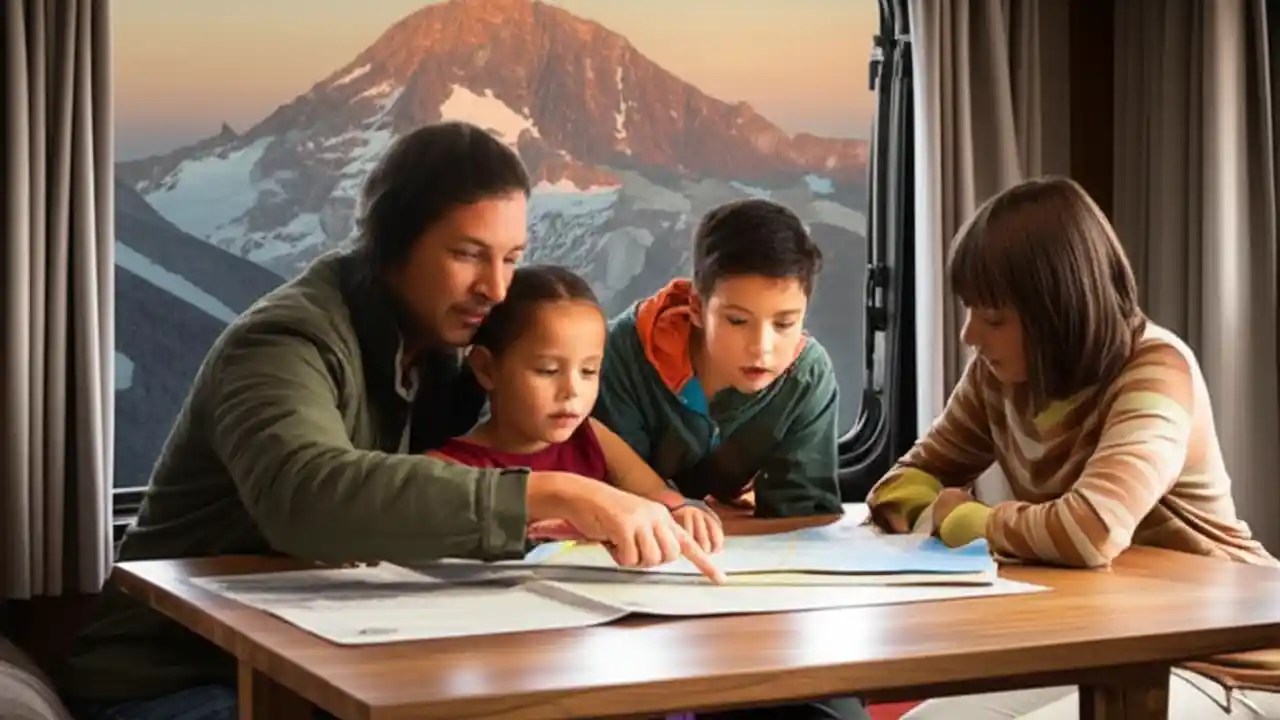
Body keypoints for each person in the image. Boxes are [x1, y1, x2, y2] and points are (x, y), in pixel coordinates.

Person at [57, 122, 718, 719]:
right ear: (393, 245)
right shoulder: (285, 343)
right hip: (174, 681)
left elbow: (543, 423)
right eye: (468, 254)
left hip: (321, 661)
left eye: (511, 258)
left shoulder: (439, 352)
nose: (496, 288)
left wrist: (663, 492)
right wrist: (555, 492)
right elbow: (307, 496)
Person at [865, 176, 1280, 719]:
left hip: (1230, 662)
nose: (971, 335)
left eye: (993, 319)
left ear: (1057, 312)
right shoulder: (998, 376)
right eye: (970, 311)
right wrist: (937, 508)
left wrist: (963, 520)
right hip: (1109, 647)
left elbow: (1092, 530)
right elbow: (896, 485)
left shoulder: (1156, 370)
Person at [430, 264, 725, 557]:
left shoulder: (590, 436)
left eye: (589, 371)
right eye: (548, 370)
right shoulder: (446, 470)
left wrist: (682, 511)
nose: (572, 390)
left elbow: (654, 493)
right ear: (486, 368)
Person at [594, 199, 843, 519]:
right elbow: (618, 502)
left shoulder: (807, 377)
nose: (761, 348)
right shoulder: (621, 353)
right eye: (737, 321)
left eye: (784, 324)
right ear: (696, 308)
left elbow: (805, 517)